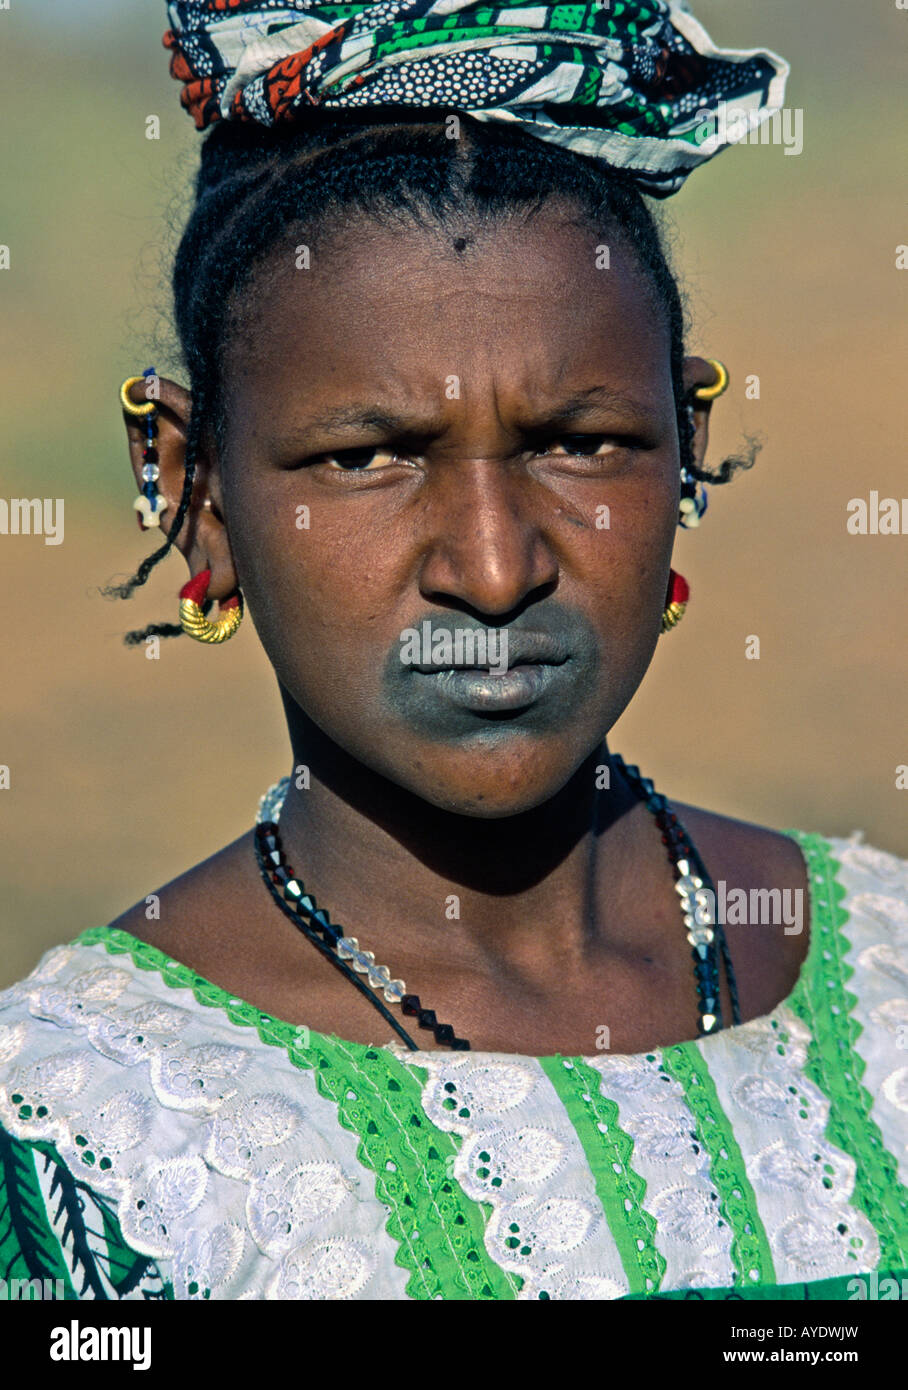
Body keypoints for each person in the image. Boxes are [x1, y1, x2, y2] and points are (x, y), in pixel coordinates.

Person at [0, 0, 905, 1303]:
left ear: (687, 444)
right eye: (366, 457)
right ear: (196, 493)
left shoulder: (885, 983)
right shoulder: (101, 1135)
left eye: (580, 441)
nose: (493, 568)